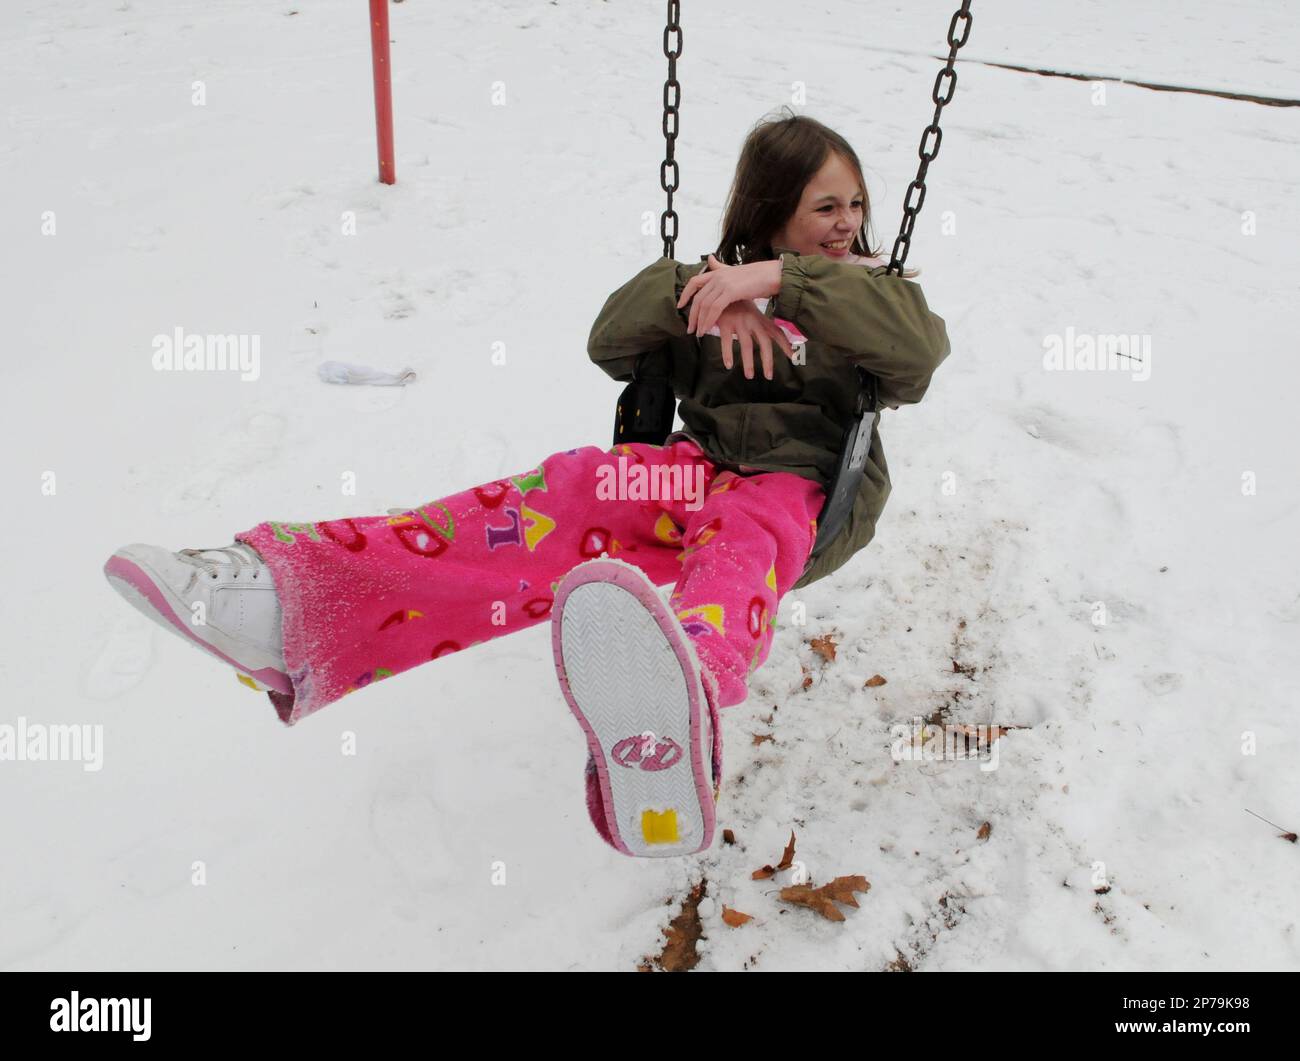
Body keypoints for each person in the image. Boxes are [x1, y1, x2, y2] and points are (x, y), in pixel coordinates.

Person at [104, 111, 951, 859]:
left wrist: (780, 281)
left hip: (803, 491)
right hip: (699, 470)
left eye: (854, 204)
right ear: (771, 212)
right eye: (826, 207)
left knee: (740, 544)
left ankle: (679, 697)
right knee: (570, 489)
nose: (848, 222)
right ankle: (299, 600)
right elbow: (610, 338)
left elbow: (919, 354)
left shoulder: (869, 294)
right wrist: (703, 288)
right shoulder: (708, 286)